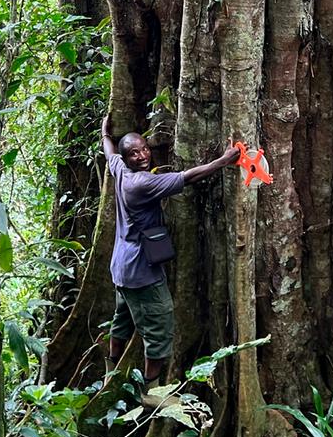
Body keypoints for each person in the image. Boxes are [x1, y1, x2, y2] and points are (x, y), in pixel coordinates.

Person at [100, 115, 242, 390]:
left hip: (121, 268)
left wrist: (105, 135)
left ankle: (110, 372)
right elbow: (188, 177)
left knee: (123, 320)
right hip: (141, 272)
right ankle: (151, 391)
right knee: (160, 326)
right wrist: (224, 160)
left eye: (144, 149)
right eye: (134, 153)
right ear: (127, 158)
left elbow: (110, 153)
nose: (142, 156)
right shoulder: (140, 183)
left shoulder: (119, 169)